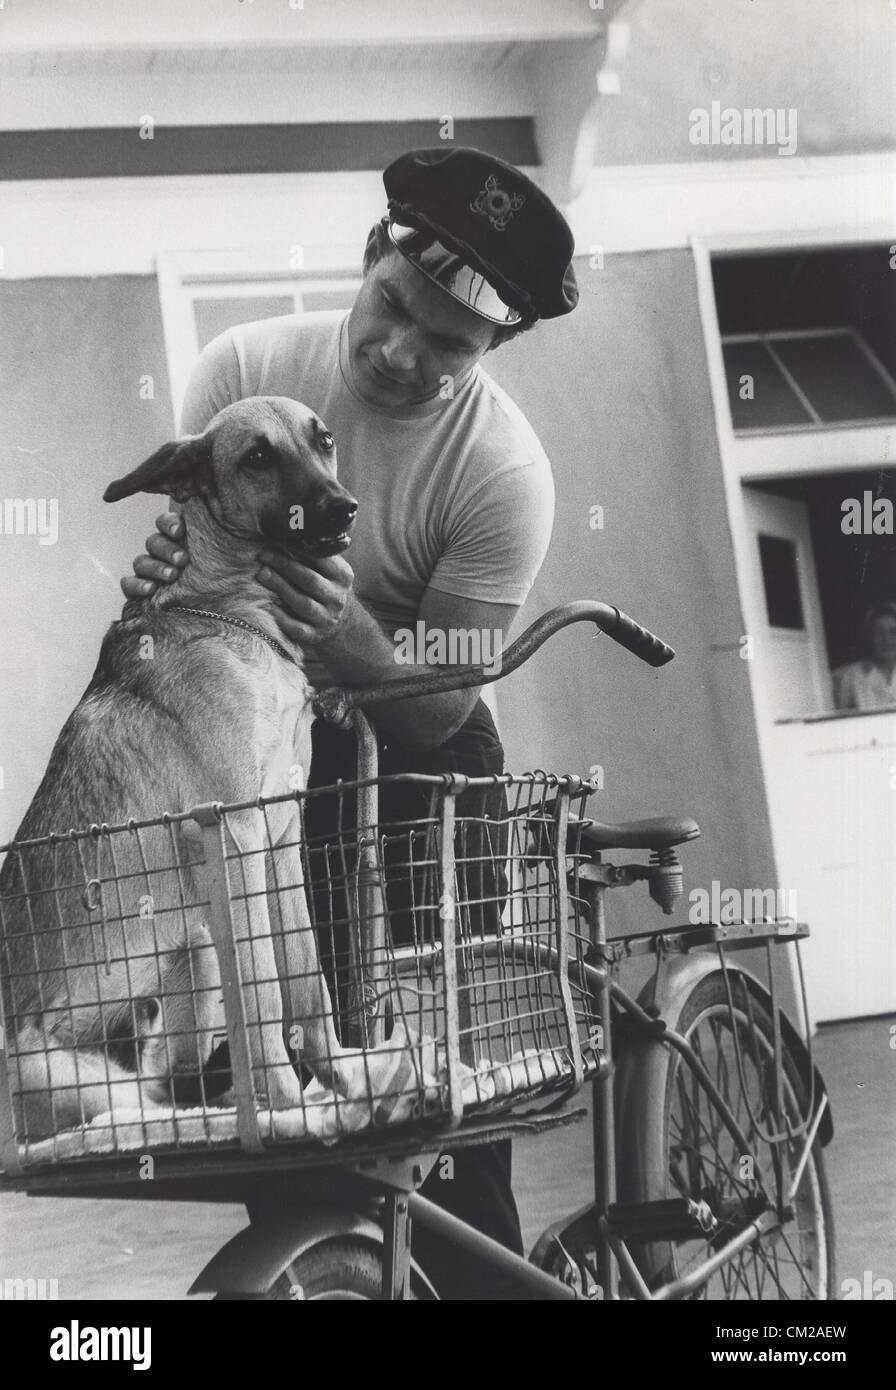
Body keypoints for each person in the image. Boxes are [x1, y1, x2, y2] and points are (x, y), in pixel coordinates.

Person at [120, 145, 579, 1298]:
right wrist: (156, 583)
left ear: (493, 350)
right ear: (368, 258)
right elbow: (188, 582)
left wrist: (341, 632)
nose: (397, 352)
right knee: (276, 1080)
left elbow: (440, 708)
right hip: (267, 736)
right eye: (391, 308)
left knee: (442, 1091)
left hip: (425, 753)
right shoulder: (243, 372)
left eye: (446, 345)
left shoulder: (502, 474)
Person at [832, 600, 896, 711]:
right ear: (870, 637)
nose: (887, 640)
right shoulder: (848, 676)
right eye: (878, 632)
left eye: (893, 632)